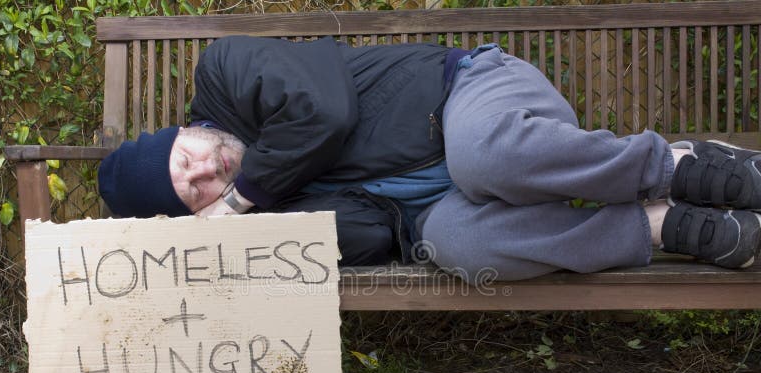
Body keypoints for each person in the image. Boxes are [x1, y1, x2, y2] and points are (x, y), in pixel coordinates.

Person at [97, 36, 761, 283]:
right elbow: (371, 235)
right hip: (446, 207)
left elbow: (325, 111)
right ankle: (658, 224)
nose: (211, 174)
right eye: (196, 193)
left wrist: (246, 200)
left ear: (180, 130)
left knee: (478, 158)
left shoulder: (227, 73)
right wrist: (258, 228)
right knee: (459, 247)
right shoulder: (260, 209)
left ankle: (671, 164)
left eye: (189, 160)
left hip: (472, 94)